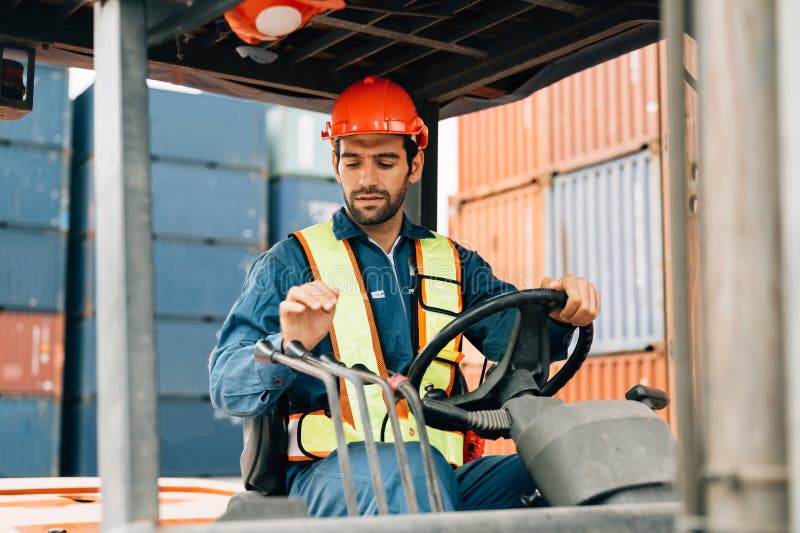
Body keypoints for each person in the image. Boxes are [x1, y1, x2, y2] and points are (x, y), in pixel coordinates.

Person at [209, 75, 600, 516]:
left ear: (414, 166)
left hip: (442, 477)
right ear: (335, 162)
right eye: (353, 162)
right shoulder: (288, 263)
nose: (367, 179)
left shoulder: (456, 263)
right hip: (326, 478)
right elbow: (226, 384)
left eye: (385, 161)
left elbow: (519, 345)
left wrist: (561, 314)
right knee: (410, 467)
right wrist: (288, 344)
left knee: (574, 463)